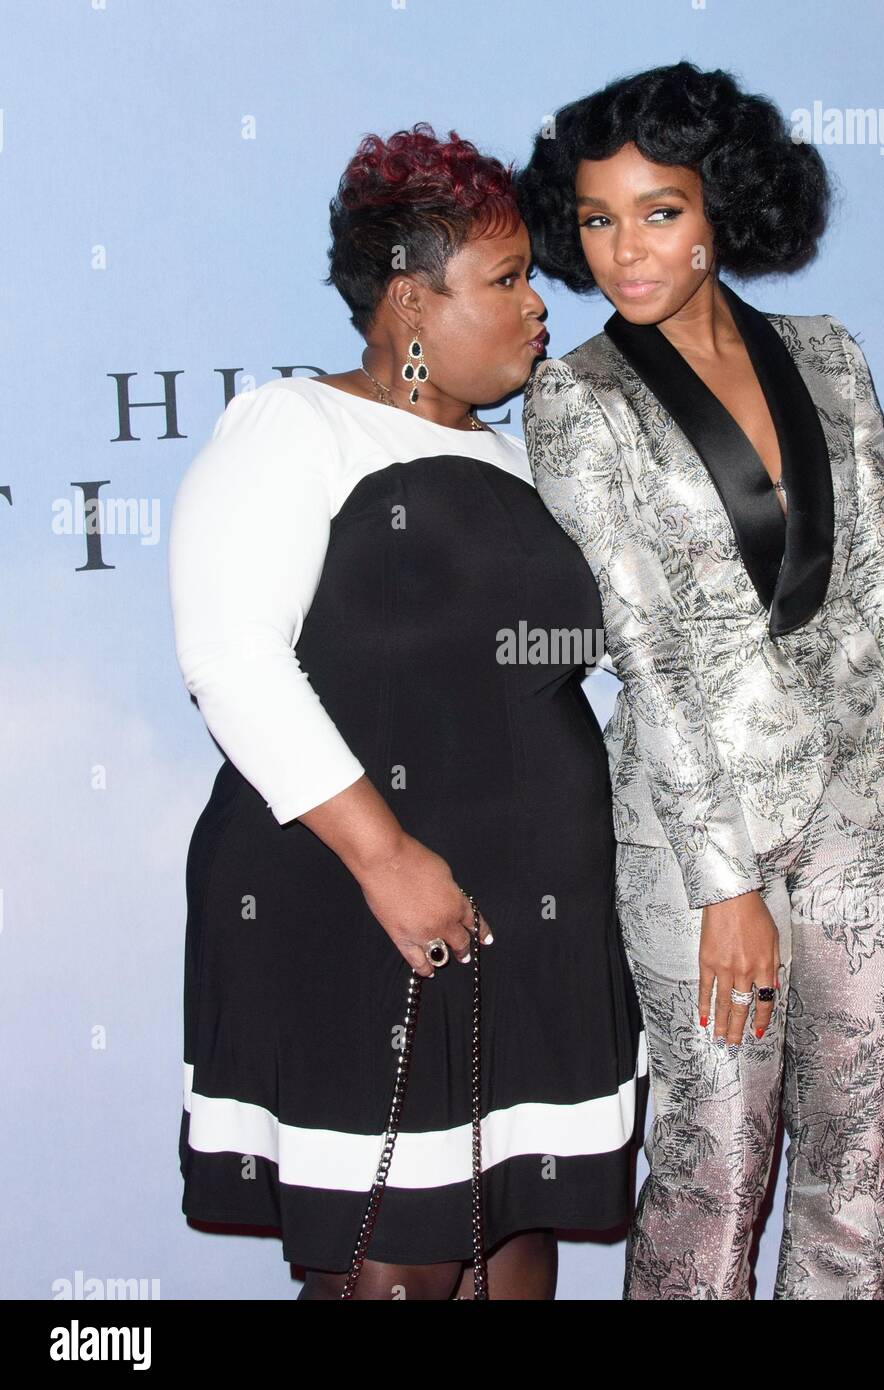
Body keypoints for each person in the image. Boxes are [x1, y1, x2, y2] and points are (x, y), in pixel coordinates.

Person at [517, 62, 884, 1299]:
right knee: (712, 1171)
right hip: (694, 836)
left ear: (722, 209)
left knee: (859, 1167)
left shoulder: (828, 355)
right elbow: (647, 654)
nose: (625, 251)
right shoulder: (576, 398)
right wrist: (724, 887)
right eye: (599, 219)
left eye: (658, 212)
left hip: (867, 819)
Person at [168, 124, 644, 1301]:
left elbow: (638, 651)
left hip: (533, 926)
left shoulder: (527, 465)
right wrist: (385, 859)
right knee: (393, 1266)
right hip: (361, 904)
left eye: (535, 276)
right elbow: (232, 659)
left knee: (512, 1250)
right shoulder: (296, 427)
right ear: (408, 302)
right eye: (507, 280)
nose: (541, 306)